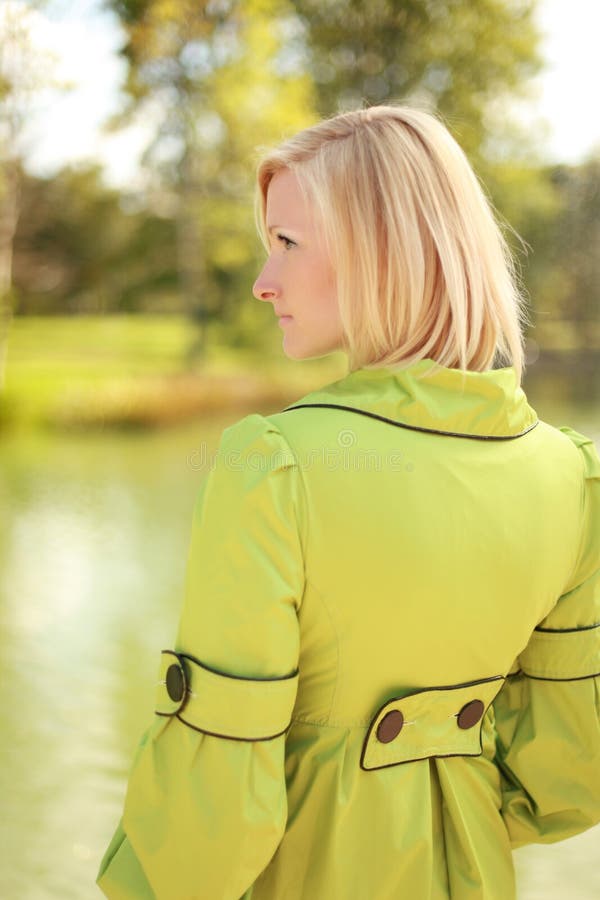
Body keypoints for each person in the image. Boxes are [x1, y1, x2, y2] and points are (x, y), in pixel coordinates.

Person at [96, 104, 600, 899]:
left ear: (379, 251)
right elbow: (567, 775)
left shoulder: (277, 465)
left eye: (287, 243)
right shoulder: (574, 478)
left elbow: (213, 818)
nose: (264, 283)